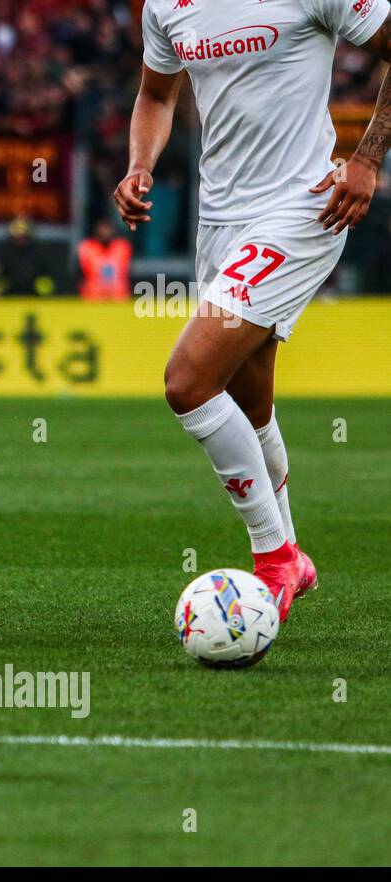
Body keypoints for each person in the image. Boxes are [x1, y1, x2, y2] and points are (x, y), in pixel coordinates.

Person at [115, 0, 391, 620]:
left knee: (187, 381)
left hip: (302, 209)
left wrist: (368, 158)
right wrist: (139, 165)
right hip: (218, 224)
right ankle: (297, 566)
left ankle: (274, 556)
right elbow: (156, 97)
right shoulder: (166, 5)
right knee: (248, 400)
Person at [76, 218, 131, 300]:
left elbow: (126, 271)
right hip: (92, 297)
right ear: (96, 231)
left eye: (108, 229)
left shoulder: (122, 247)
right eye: (103, 229)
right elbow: (79, 273)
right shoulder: (87, 247)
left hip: (119, 296)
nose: (105, 233)